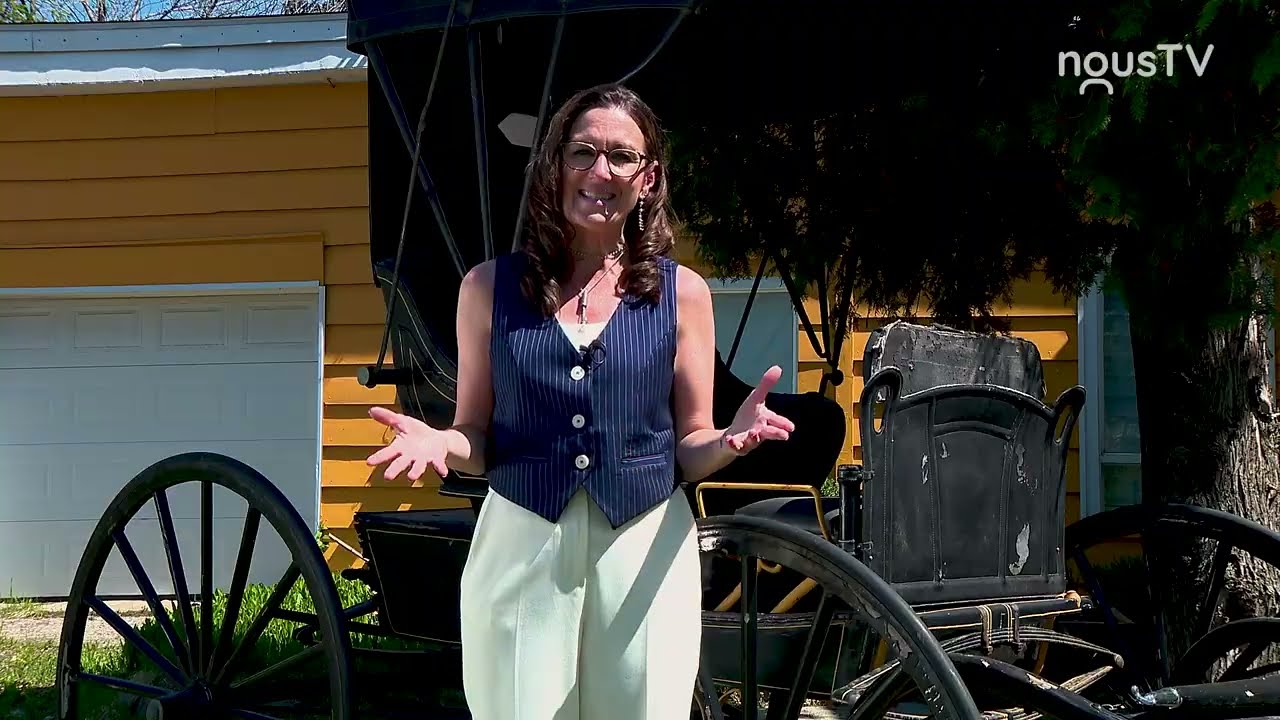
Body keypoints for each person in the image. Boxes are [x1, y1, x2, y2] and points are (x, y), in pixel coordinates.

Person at [365, 83, 795, 720]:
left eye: (622, 157)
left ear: (646, 179)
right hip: (522, 541)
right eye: (583, 152)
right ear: (555, 166)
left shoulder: (685, 295)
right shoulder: (488, 288)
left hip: (644, 543)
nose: (601, 171)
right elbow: (475, 436)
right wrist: (442, 442)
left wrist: (731, 438)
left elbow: (692, 446)